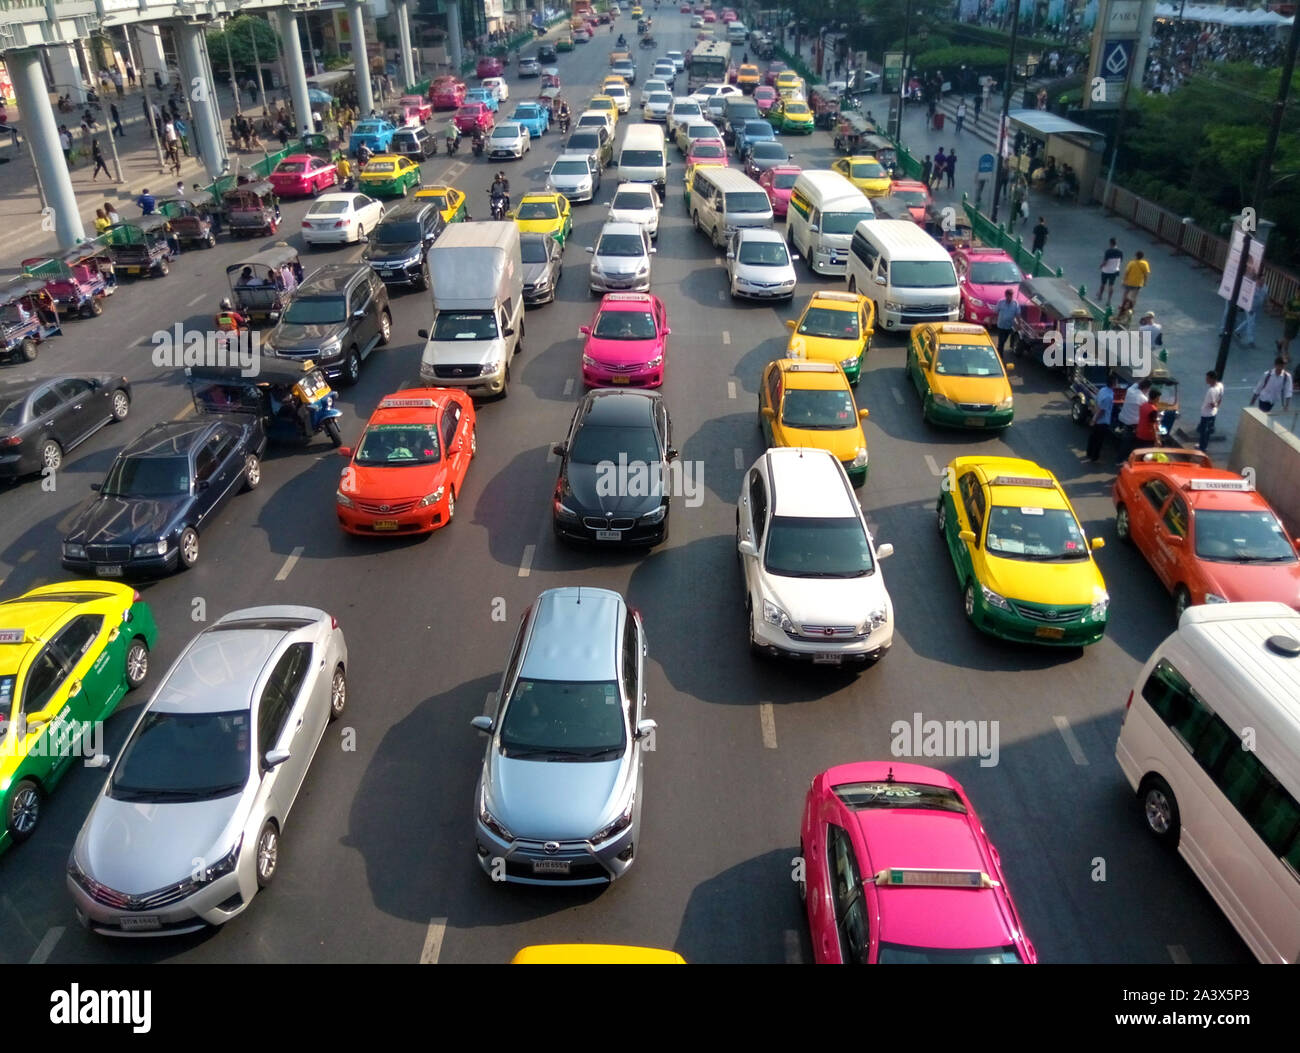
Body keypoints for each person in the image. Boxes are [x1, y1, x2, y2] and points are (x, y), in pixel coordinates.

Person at [1086, 373, 1122, 462]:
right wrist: (1094, 420)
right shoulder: (1109, 397)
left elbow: (1096, 403)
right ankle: (1094, 457)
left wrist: (1093, 417)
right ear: (1114, 384)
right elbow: (1102, 411)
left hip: (1096, 419)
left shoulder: (1102, 390)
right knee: (1099, 440)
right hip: (1102, 422)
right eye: (1116, 383)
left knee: (1093, 437)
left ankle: (1089, 453)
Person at [1116, 378, 1151, 461]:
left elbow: (1137, 383)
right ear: (1146, 389)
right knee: (1128, 443)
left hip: (1122, 418)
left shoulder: (1130, 390)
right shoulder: (1143, 399)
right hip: (1132, 424)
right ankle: (1121, 460)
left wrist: (1146, 378)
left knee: (1125, 441)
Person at [1233, 282, 1267, 347]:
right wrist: (1248, 307)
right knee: (1251, 322)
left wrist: (1266, 304)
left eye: (1263, 279)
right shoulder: (1252, 286)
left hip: (1258, 307)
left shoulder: (1264, 286)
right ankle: (1250, 340)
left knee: (1249, 320)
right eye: (1261, 280)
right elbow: (1246, 296)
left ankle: (1237, 331)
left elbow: (1265, 295)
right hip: (1249, 306)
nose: (1262, 281)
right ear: (1258, 279)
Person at [1197, 370, 1224, 452]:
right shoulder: (1220, 385)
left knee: (1203, 431)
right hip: (1213, 413)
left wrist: (1214, 406)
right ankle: (1204, 445)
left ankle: (1202, 447)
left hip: (1206, 413)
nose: (1206, 380)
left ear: (1212, 379)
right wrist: (1217, 408)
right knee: (1208, 431)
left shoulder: (1211, 390)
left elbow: (1212, 404)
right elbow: (1221, 397)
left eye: (1207, 378)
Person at [994, 288, 1019, 355]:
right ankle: (1000, 356)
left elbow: (1017, 314)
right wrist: (991, 321)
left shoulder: (1015, 303)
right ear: (1005, 295)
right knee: (1001, 341)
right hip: (1001, 325)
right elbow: (996, 312)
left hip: (1009, 326)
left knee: (1004, 340)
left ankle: (999, 349)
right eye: (1008, 296)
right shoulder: (1000, 302)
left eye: (1011, 296)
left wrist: (1018, 324)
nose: (1009, 297)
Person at [1097, 238, 1123, 305]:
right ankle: (1109, 300)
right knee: (1111, 285)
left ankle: (1100, 295)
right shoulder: (1120, 252)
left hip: (1106, 270)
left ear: (1110, 243)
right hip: (1114, 271)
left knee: (1103, 284)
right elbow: (1121, 261)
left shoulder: (1108, 251)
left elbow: (1105, 262)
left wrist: (1100, 266)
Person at [1280, 288, 1300, 358]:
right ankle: (1285, 353)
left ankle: (1280, 343)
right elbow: (1285, 311)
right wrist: (1295, 314)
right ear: (1298, 291)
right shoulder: (1291, 300)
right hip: (1290, 321)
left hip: (1297, 322)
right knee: (1287, 337)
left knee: (1291, 337)